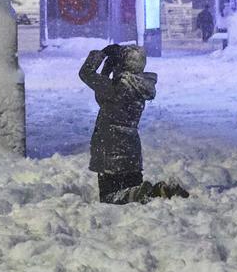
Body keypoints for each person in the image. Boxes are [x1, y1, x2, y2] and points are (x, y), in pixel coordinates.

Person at [79, 44, 188, 204]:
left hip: (111, 150)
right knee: (134, 195)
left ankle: (146, 192)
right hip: (131, 151)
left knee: (111, 198)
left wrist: (101, 55)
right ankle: (160, 191)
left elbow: (85, 73)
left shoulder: (116, 87)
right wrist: (107, 71)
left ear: (122, 65)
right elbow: (103, 100)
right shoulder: (138, 86)